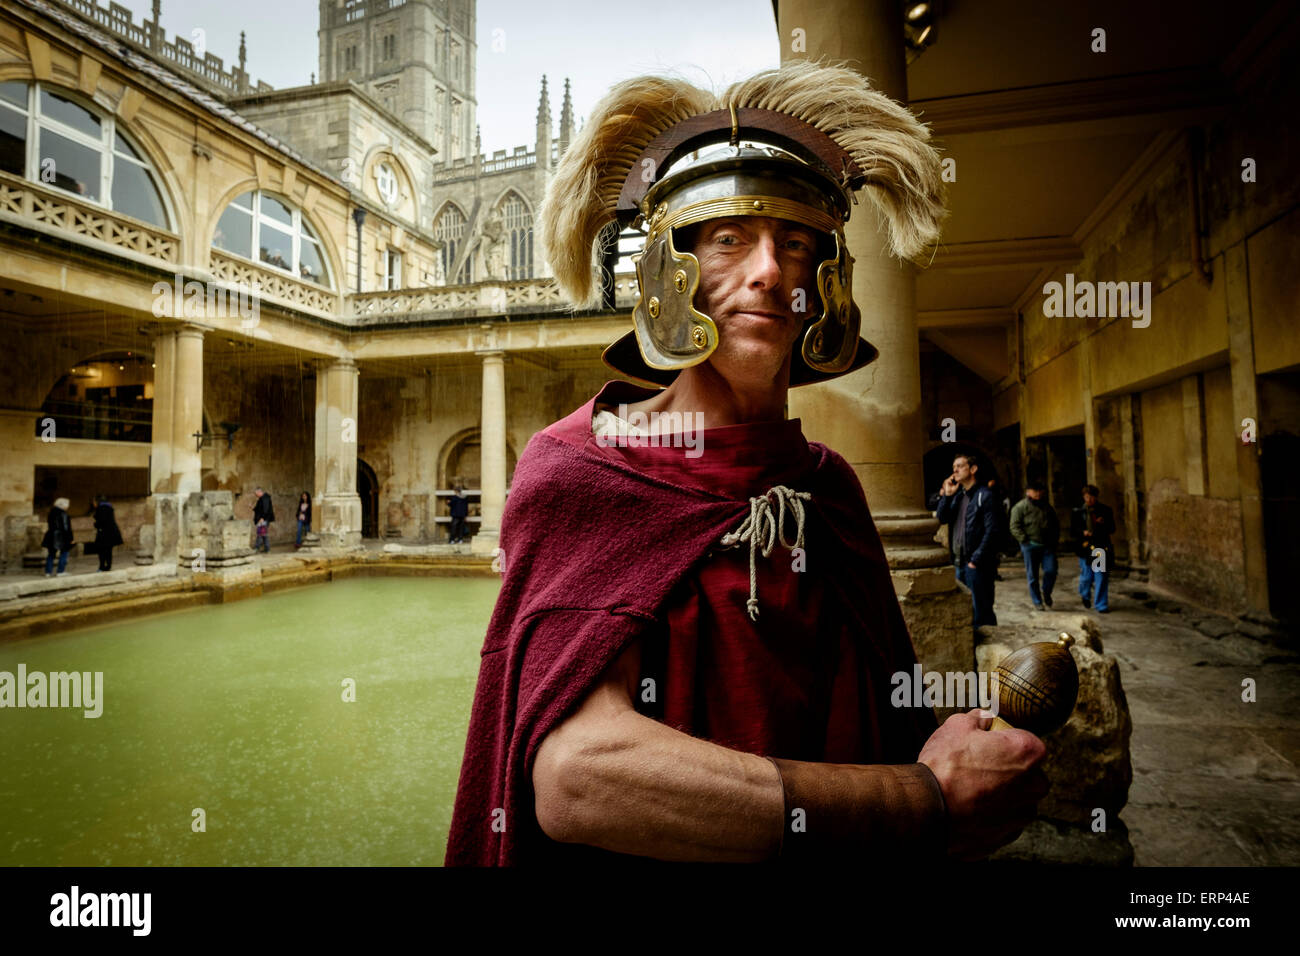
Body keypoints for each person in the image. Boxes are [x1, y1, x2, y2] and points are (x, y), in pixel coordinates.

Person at [446, 62, 1047, 866]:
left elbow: (863, 709)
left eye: (795, 244)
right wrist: (918, 800)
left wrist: (952, 743)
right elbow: (580, 777)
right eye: (729, 240)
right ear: (669, 273)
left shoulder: (829, 487)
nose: (768, 269)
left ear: (826, 285)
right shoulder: (582, 470)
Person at [934, 454, 1002, 630]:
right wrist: (947, 496)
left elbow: (992, 531)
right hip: (959, 562)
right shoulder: (957, 496)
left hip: (977, 564)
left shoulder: (984, 496)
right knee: (966, 611)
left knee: (982, 611)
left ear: (973, 469)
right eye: (953, 467)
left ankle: (989, 651)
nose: (955, 470)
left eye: (960, 466)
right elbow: (942, 518)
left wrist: (976, 560)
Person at [1009, 482, 1059, 611]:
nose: (1037, 493)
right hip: (1030, 545)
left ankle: (1046, 592)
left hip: (1047, 545)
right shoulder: (1020, 507)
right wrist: (1024, 540)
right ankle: (1037, 601)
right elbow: (1014, 526)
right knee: (1032, 575)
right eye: (1034, 490)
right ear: (1027, 492)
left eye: (1039, 490)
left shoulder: (1046, 507)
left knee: (1051, 570)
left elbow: (1055, 524)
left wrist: (1054, 540)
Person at [1071, 484, 1116, 613]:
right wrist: (1083, 532)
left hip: (1099, 547)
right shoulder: (1078, 512)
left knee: (1101, 575)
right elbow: (1073, 531)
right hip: (1085, 547)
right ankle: (1085, 595)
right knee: (1087, 576)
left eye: (1092, 497)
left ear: (1096, 497)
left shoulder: (1105, 510)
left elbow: (1112, 529)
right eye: (1087, 497)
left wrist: (1104, 523)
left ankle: (1101, 604)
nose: (1089, 500)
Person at [42, 497, 74, 577]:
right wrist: (70, 538)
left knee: (51, 554)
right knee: (64, 553)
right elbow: (66, 527)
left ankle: (48, 572)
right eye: (67, 505)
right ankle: (60, 571)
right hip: (61, 536)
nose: (68, 507)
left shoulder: (51, 512)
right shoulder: (63, 514)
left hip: (51, 535)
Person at [92, 495, 123, 572]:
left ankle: (102, 566)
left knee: (101, 550)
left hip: (104, 533)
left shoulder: (101, 509)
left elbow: (101, 521)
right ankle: (108, 566)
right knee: (108, 551)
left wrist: (96, 524)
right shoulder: (109, 508)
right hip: (111, 532)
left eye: (94, 501)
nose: (93, 503)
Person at [252, 487, 275, 553]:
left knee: (261, 533)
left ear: (259, 492)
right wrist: (253, 508)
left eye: (256, 493)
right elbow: (259, 509)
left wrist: (262, 518)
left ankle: (257, 548)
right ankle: (267, 549)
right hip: (263, 519)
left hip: (263, 519)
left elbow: (266, 510)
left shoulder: (265, 498)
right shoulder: (262, 499)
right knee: (263, 534)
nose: (255, 495)